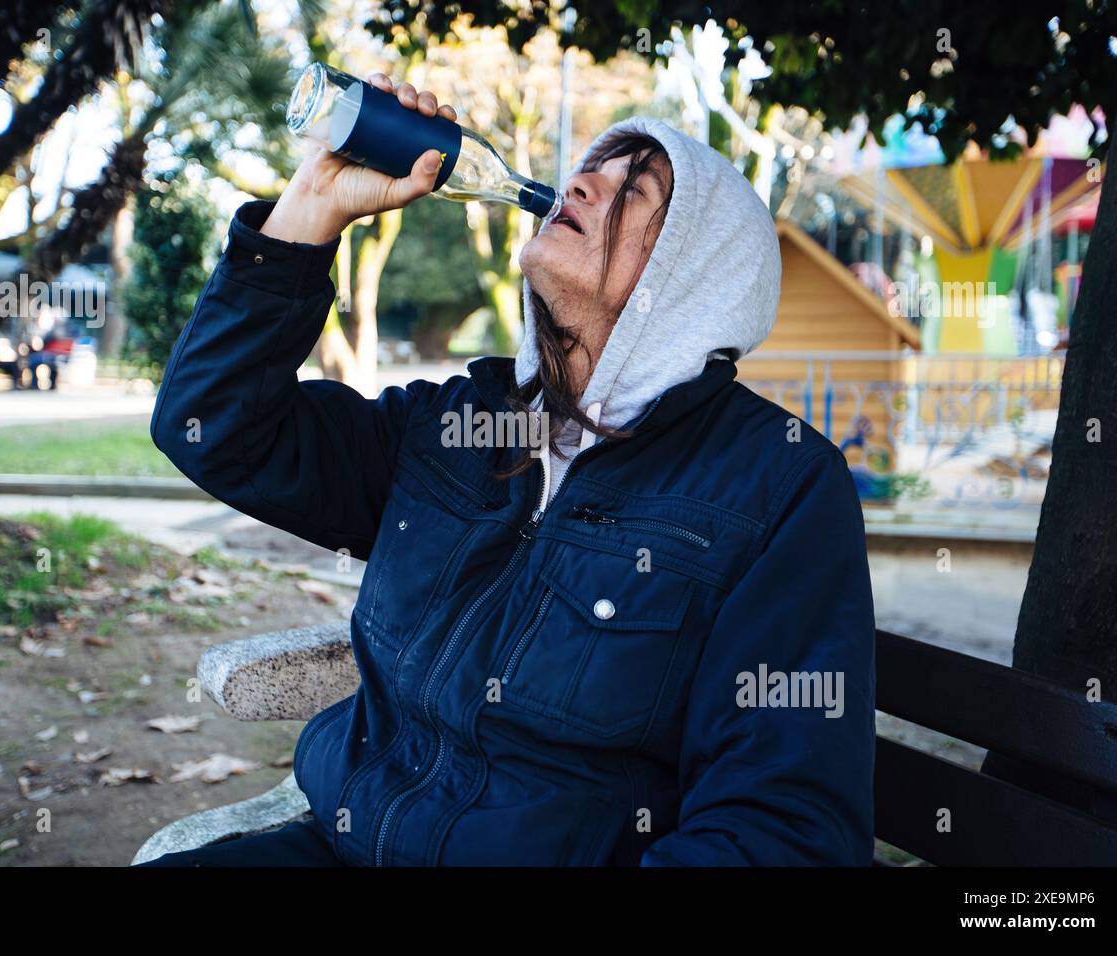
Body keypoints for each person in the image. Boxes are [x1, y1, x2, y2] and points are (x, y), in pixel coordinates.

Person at [142, 73, 875, 867]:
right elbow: (213, 428)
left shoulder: (775, 484)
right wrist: (311, 210)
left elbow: (781, 827)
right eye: (596, 168)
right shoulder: (460, 424)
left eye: (638, 189)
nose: (585, 181)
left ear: (697, 274)